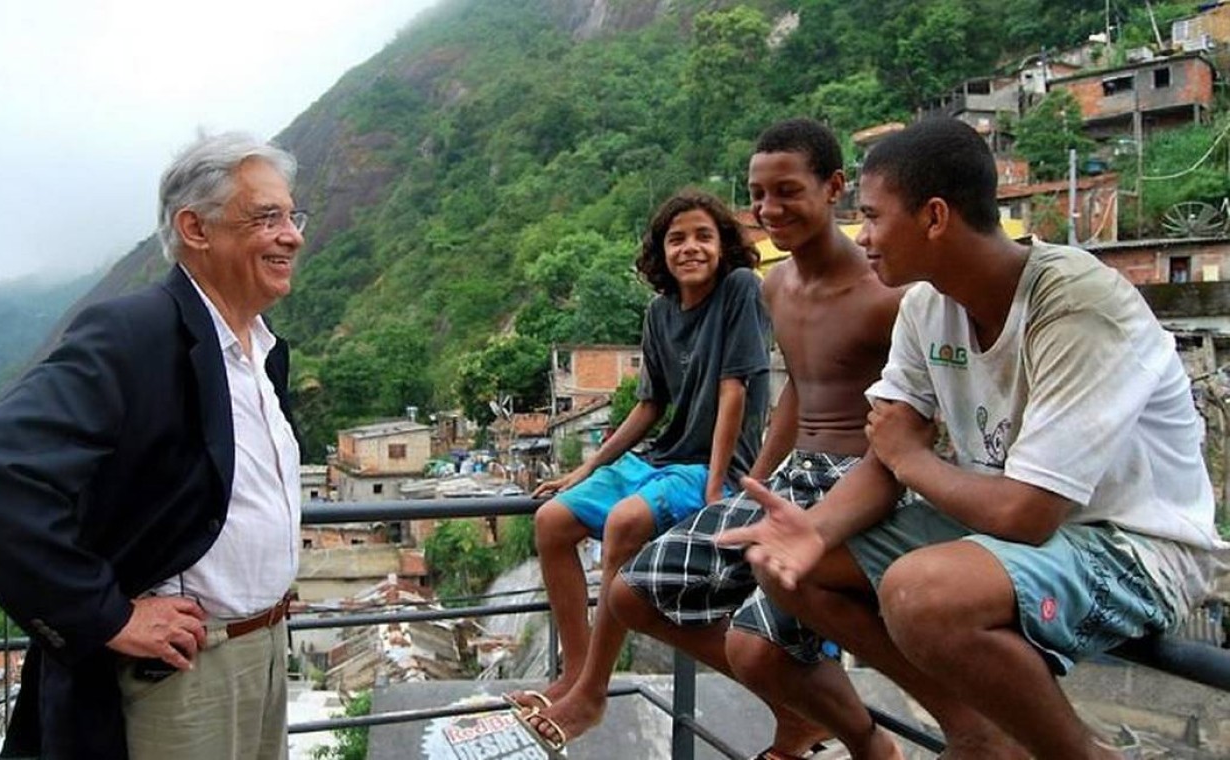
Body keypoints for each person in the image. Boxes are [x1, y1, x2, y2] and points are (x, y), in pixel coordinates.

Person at [719, 118, 1229, 759]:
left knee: (920, 593)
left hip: (1132, 547)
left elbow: (1025, 511)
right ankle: (977, 731)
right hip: (1006, 529)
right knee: (793, 567)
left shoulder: (1076, 304)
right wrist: (814, 530)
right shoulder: (927, 306)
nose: (863, 237)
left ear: (934, 217)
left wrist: (909, 457)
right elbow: (886, 459)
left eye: (874, 217)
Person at [0, 132, 307, 759]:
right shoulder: (135, 333)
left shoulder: (262, 351)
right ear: (195, 229)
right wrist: (107, 616)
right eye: (267, 218)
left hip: (264, 650)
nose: (292, 235)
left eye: (291, 215)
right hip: (186, 672)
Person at [609, 118, 906, 760]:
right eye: (758, 194)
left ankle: (864, 739)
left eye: (787, 191)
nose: (770, 209)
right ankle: (806, 701)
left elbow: (912, 422)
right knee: (631, 591)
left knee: (758, 643)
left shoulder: (889, 293)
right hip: (790, 475)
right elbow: (799, 387)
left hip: (857, 483)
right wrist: (760, 479)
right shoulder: (777, 285)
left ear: (834, 188)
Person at [510, 190, 772, 749]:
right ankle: (574, 674)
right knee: (552, 522)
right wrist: (585, 469)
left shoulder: (740, 291)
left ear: (724, 245)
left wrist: (713, 484)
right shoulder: (658, 313)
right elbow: (649, 405)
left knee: (627, 523)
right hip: (663, 456)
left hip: (714, 466)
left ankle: (593, 693)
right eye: (676, 239)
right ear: (661, 252)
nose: (690, 248)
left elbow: (735, 389)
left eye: (703, 235)